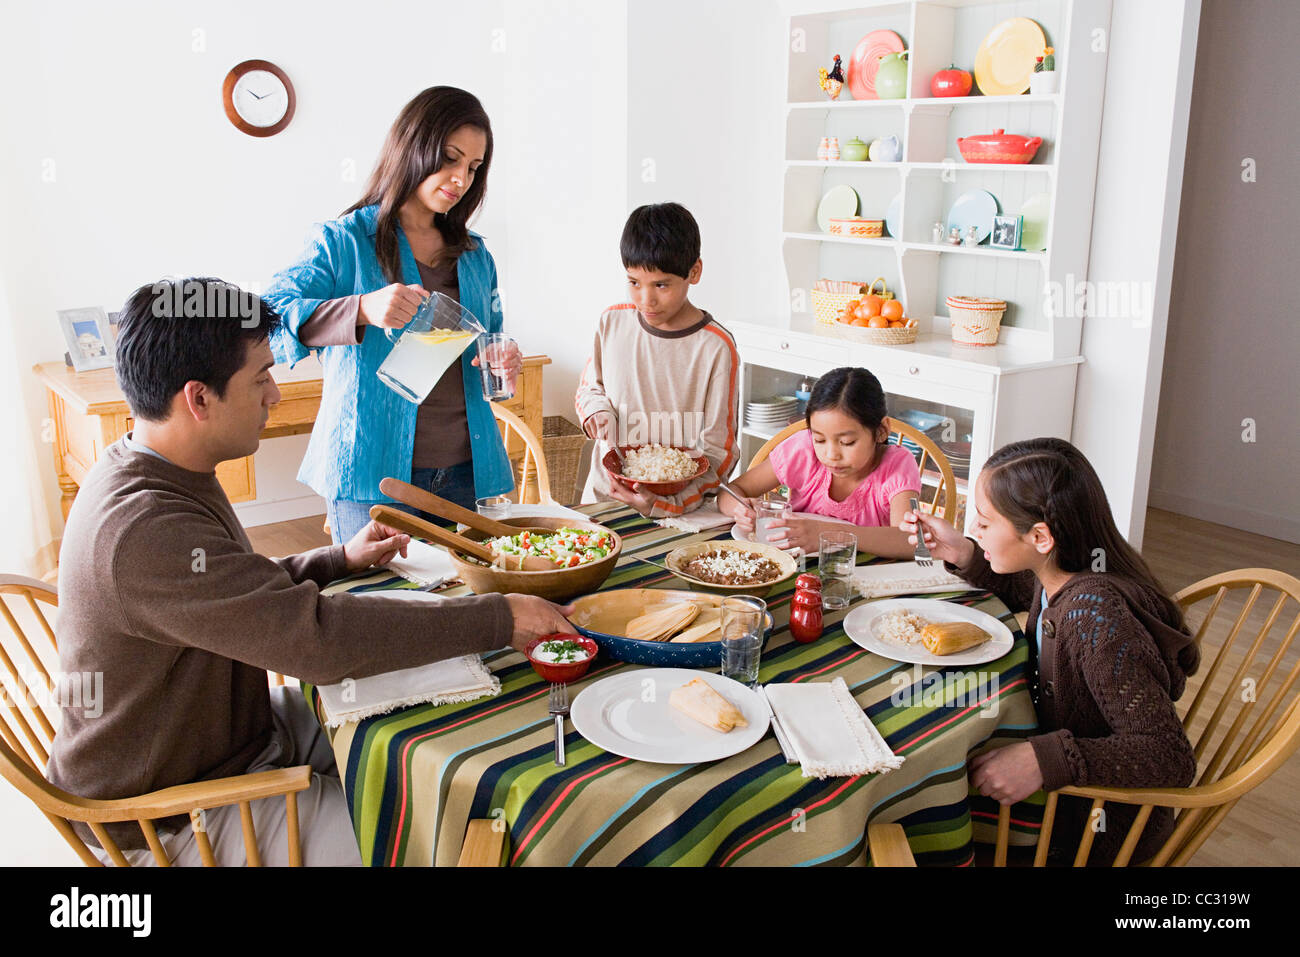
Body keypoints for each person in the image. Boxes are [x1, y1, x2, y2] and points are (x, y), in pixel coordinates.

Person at [45, 278, 575, 867]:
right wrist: (499, 618)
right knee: (422, 836)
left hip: (229, 732)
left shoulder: (153, 464)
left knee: (441, 718)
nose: (274, 393)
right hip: (165, 812)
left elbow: (227, 585)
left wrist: (335, 558)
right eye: (261, 378)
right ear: (198, 399)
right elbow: (316, 639)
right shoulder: (142, 529)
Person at [901, 437, 1199, 866]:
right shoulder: (1065, 572)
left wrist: (1044, 760)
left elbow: (1169, 756)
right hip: (1062, 807)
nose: (975, 527)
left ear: (1040, 535)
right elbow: (1035, 597)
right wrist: (965, 550)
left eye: (984, 522)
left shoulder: (1095, 621)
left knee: (925, 802)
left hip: (1086, 837)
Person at [264, 86, 522, 544]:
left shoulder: (475, 255)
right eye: (449, 158)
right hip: (372, 473)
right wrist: (361, 308)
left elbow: (492, 336)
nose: (460, 178)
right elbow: (270, 313)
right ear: (413, 147)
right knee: (380, 610)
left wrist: (504, 356)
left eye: (473, 167)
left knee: (471, 609)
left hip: (468, 472)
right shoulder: (343, 241)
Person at [575, 202, 739, 517]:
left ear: (694, 272)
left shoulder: (716, 347)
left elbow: (720, 452)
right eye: (634, 282)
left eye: (661, 285)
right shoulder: (611, 323)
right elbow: (589, 388)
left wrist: (665, 504)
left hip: (678, 513)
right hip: (602, 502)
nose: (645, 300)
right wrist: (597, 412)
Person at [718, 367, 920, 558]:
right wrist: (740, 509)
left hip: (864, 575)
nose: (831, 455)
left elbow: (909, 541)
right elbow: (730, 491)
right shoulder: (803, 450)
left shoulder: (897, 465)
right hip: (794, 566)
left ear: (881, 430)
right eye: (820, 440)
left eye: (847, 442)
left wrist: (830, 533)